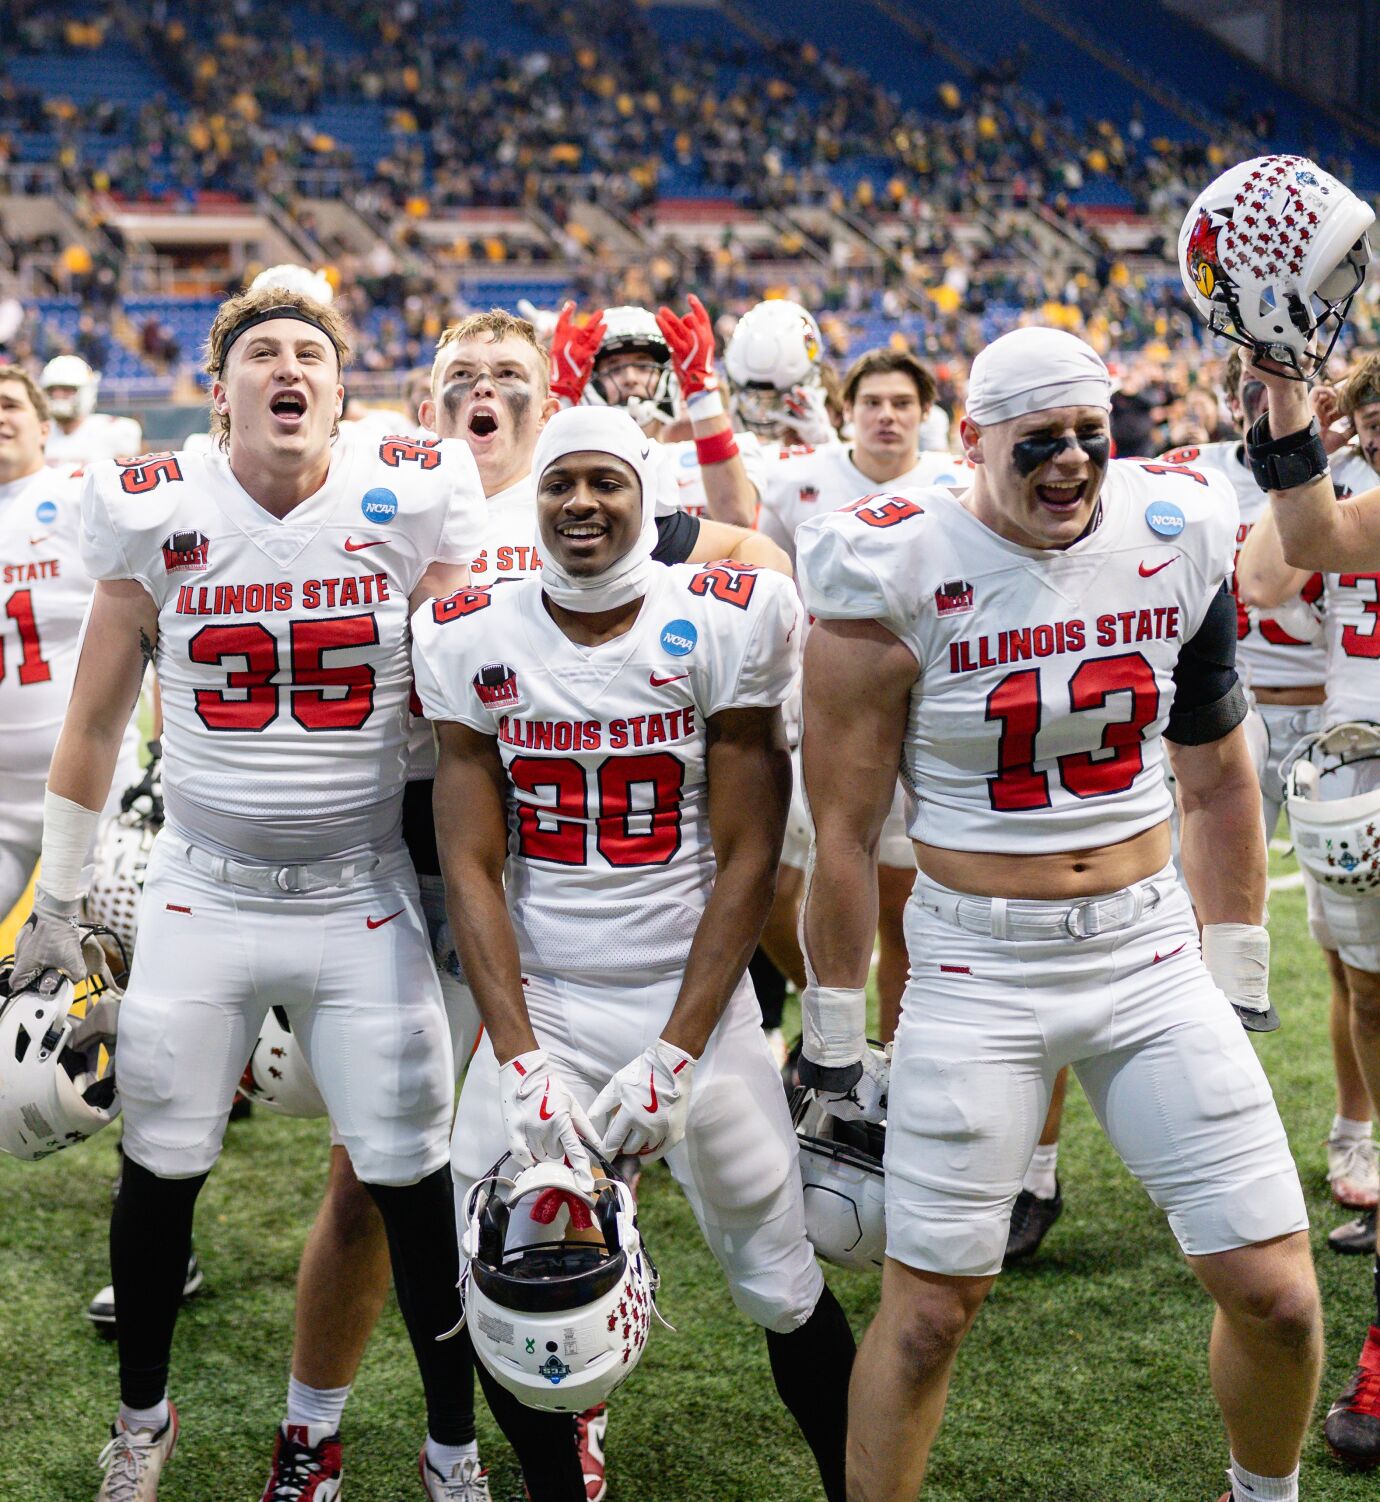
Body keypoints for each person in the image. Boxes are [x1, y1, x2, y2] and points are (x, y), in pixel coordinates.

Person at [255, 307, 793, 1502]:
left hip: (563, 903)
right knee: (370, 1175)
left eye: (507, 374)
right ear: (425, 397)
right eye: (459, 376)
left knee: (564, 1175)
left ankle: (554, 1404)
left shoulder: (581, 505)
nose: (482, 391)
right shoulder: (383, 506)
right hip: (403, 876)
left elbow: (748, 555)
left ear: (545, 403)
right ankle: (319, 1424)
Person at [797, 325, 1320, 1502]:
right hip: (978, 967)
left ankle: (1265, 1492)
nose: (1073, 463)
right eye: (1040, 442)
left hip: (1147, 951)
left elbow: (1219, 774)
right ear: (971, 441)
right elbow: (840, 829)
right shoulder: (888, 562)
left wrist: (1234, 971)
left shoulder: (1172, 525)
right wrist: (834, 1038)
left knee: (1279, 1295)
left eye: (1092, 435)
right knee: (931, 1313)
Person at [9, 283, 500, 1502]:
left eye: (311, 354)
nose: (289, 368)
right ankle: (143, 1425)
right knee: (161, 1165)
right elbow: (95, 715)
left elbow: (467, 713)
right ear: (218, 387)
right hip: (202, 891)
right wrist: (58, 897)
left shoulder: (412, 493)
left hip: (360, 887)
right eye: (261, 353)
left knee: (408, 1174)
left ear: (342, 390)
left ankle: (452, 1444)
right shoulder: (155, 505)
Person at [415, 405, 856, 1502]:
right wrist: (518, 1059)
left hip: (691, 998)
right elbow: (470, 863)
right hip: (550, 1000)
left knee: (779, 1281)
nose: (580, 502)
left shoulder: (724, 615)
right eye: (561, 482)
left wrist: (677, 1050)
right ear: (534, 499)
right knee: (498, 1273)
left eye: (605, 481)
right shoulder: (469, 629)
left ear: (646, 494)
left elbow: (750, 853)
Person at [1241, 344, 1380, 1465]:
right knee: (1367, 999)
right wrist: (1292, 403)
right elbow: (1295, 554)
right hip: (1361, 763)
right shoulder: (1361, 499)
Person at [756, 347, 972, 1041]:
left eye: (902, 403)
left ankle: (887, 1058)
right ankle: (823, 1013)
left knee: (902, 908)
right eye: (872, 403)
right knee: (774, 893)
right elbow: (768, 586)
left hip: (923, 711)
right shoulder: (798, 482)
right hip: (815, 710)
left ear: (924, 415)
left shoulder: (955, 484)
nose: (886, 416)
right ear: (845, 412)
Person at [0, 366, 140, 918]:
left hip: (95, 785)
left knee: (114, 949)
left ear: (43, 428)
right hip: (2, 800)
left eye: (10, 404)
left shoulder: (81, 493)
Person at [548, 299, 763, 526]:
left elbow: (736, 517)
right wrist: (562, 401)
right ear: (591, 382)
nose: (630, 379)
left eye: (642, 366)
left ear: (668, 377)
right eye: (614, 368)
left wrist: (703, 394)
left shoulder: (736, 449)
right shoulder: (581, 463)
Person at [39, 355, 142, 470]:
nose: (58, 396)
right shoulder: (37, 433)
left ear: (86, 391)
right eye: (52, 390)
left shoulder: (115, 429)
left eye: (66, 389)